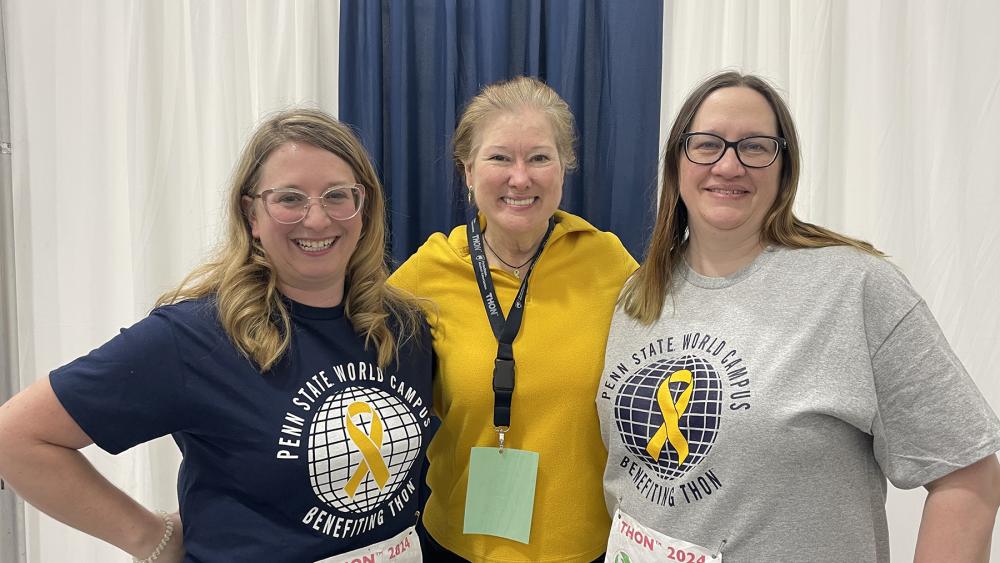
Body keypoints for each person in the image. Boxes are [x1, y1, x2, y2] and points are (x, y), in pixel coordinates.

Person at [597, 70, 1000, 562]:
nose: (729, 165)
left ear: (784, 168)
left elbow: (967, 473)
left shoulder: (855, 288)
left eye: (755, 147)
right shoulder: (639, 295)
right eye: (706, 145)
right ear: (676, 163)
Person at [0, 108, 433, 562]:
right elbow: (16, 437)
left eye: (337, 195)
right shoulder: (193, 339)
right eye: (290, 198)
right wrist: (150, 538)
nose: (318, 219)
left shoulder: (402, 327)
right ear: (252, 215)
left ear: (363, 206)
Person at [389, 76, 638, 562]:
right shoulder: (429, 272)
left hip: (583, 548)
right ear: (467, 172)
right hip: (458, 546)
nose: (520, 178)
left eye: (540, 157)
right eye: (499, 157)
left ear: (565, 168)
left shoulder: (610, 264)